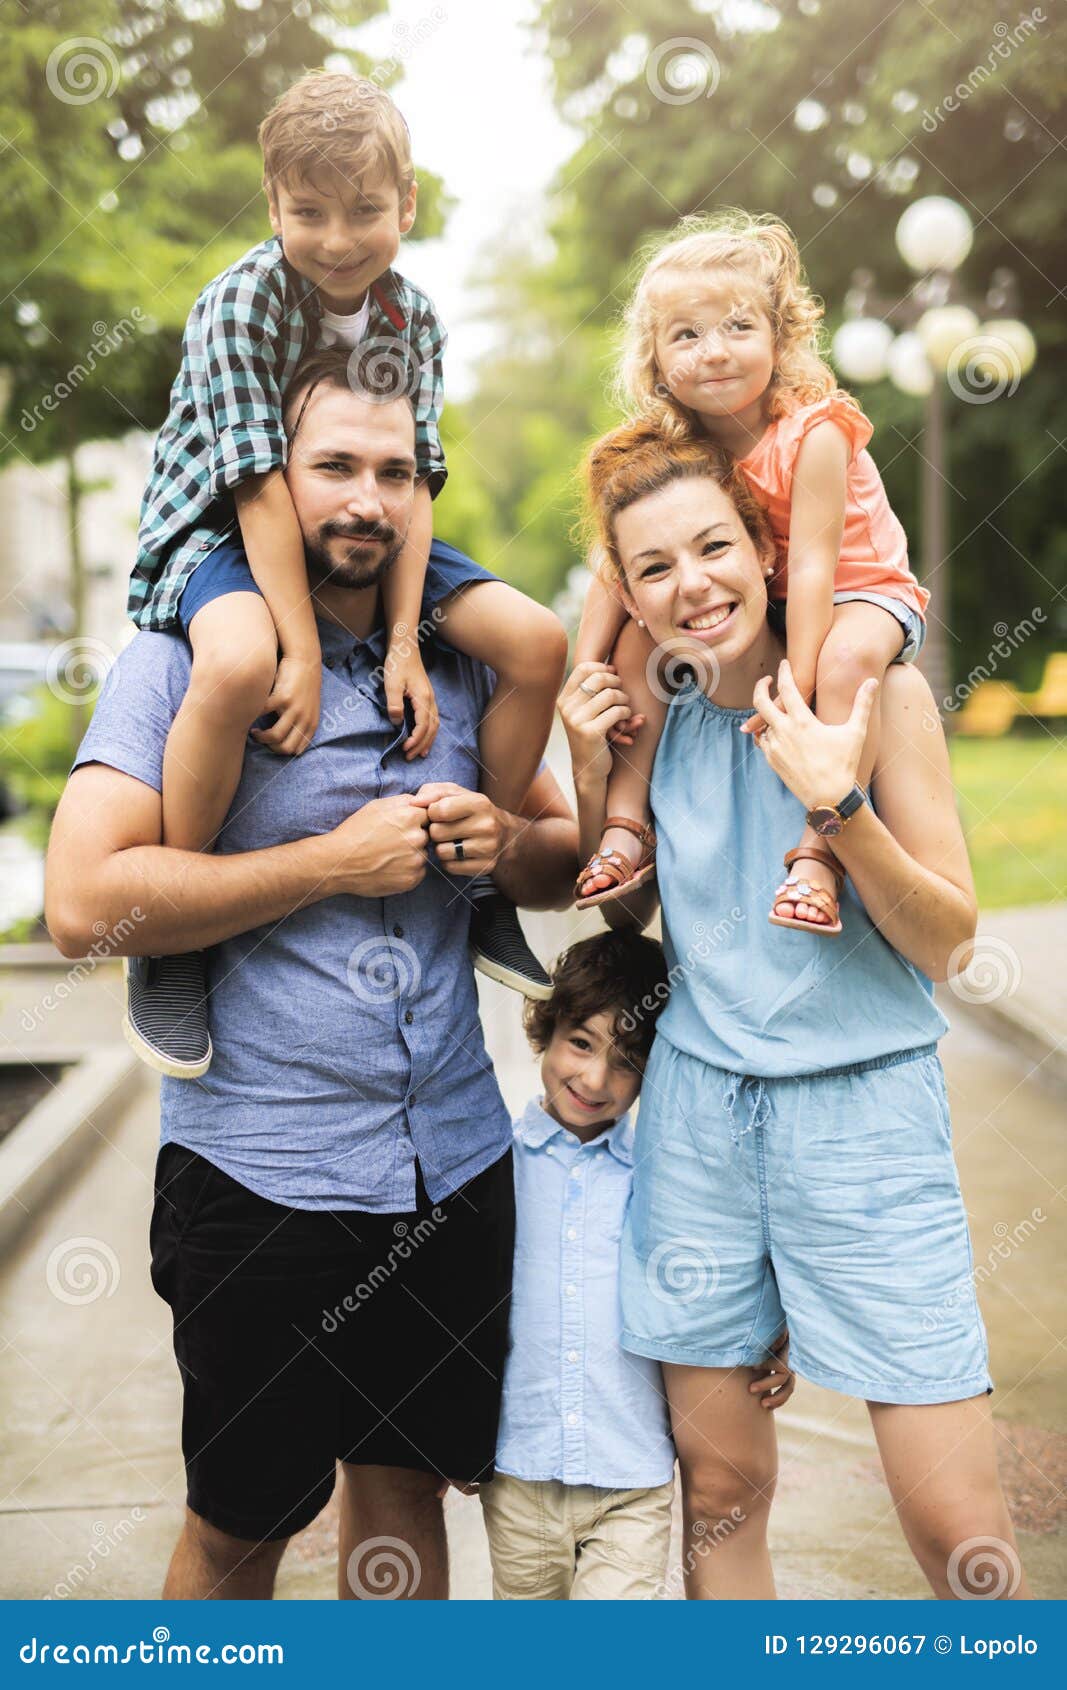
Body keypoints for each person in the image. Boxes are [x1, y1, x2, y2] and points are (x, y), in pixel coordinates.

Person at [44, 352, 579, 1602]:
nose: (367, 499)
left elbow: (554, 862)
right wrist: (327, 861)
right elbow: (81, 907)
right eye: (333, 465)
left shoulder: (461, 666)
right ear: (271, 489)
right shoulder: (179, 664)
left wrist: (501, 846)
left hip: (449, 1164)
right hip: (258, 1179)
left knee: (399, 1512)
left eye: (395, 472)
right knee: (244, 1523)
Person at [557, 417, 1029, 1602]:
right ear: (626, 592)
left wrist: (841, 811)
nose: (691, 585)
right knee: (716, 1499)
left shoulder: (879, 696)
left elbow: (949, 939)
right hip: (700, 1129)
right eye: (653, 567)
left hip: (862, 1116)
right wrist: (584, 771)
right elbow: (622, 919)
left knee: (954, 1532)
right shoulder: (655, 715)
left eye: (711, 547)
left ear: (764, 547)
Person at [127, 70, 568, 1073]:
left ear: (405, 204)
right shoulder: (239, 304)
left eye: (364, 210)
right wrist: (301, 651)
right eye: (309, 212)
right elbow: (255, 488)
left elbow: (409, 487)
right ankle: (172, 939)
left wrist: (406, 640)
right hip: (220, 528)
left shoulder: (408, 318)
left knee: (536, 641)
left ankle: (480, 883)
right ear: (273, 204)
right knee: (238, 665)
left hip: (364, 518)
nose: (337, 238)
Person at [574, 211, 927, 940]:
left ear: (779, 336)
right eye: (685, 335)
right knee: (641, 639)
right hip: (775, 589)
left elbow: (812, 566)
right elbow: (615, 571)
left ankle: (818, 853)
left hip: (860, 590)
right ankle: (623, 825)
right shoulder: (678, 445)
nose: (713, 352)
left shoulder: (815, 431)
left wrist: (795, 684)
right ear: (654, 357)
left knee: (845, 659)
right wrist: (587, 668)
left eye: (738, 327)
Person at [480, 929, 794, 1599]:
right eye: (580, 1043)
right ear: (545, 1030)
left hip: (631, 1480)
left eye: (626, 1061)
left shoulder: (661, 1179)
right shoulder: (490, 1168)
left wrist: (767, 1339)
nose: (595, 1079)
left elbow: (721, 1273)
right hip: (518, 1474)